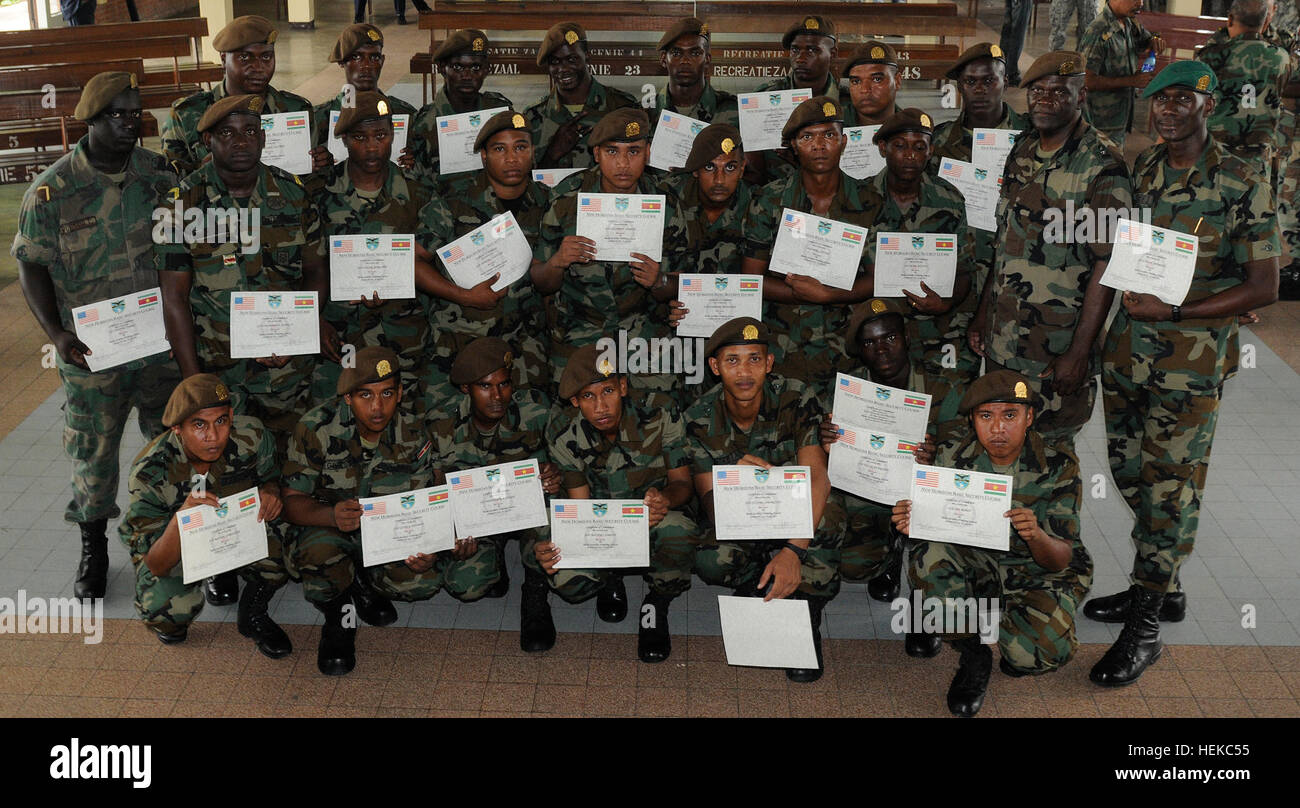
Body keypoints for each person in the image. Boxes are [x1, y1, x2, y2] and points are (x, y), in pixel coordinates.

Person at [1089, 62, 1281, 687]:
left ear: (1207, 105)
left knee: (1169, 489)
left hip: (1188, 367)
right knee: (1129, 471)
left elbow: (1265, 285)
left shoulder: (1241, 179)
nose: (1166, 110)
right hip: (1128, 354)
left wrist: (1178, 311)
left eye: (1180, 99)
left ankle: (1145, 625)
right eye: (1158, 100)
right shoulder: (1146, 166)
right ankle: (1161, 586)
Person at [156, 93, 338, 607]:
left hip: (287, 368)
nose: (242, 142)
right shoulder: (181, 203)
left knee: (289, 458)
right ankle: (219, 561)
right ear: (207, 140)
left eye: (251, 132)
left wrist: (300, 330)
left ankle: (294, 551)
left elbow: (315, 269)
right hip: (217, 367)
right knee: (219, 467)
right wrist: (193, 382)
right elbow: (174, 298)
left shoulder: (292, 192)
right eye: (228, 133)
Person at [13, 72, 181, 600]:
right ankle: (94, 547)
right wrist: (57, 334)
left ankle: (173, 538)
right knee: (94, 452)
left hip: (158, 346)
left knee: (170, 444)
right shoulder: (53, 191)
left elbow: (184, 250)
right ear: (91, 119)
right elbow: (31, 265)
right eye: (118, 115)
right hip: (92, 352)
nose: (131, 123)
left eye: (135, 113)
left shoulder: (159, 175)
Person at [281, 347, 498, 675]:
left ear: (399, 393)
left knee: (420, 582)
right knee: (317, 553)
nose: (377, 407)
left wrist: (433, 545)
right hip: (331, 528)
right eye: (365, 395)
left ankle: (363, 580)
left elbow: (437, 495)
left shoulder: (419, 428)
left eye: (386, 393)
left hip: (393, 531)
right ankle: (339, 617)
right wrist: (330, 515)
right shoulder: (317, 428)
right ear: (347, 398)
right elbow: (292, 501)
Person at [891, 370, 1093, 717]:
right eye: (986, 416)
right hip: (978, 561)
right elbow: (935, 527)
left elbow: (1060, 559)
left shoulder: (1058, 464)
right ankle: (973, 654)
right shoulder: (953, 456)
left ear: (1029, 417)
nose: (997, 428)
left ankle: (1013, 628)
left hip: (1034, 568)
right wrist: (913, 523)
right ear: (972, 420)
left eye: (1010, 415)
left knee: (1033, 655)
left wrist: (1036, 535)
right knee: (928, 556)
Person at [969, 51, 1134, 455]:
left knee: (1050, 457)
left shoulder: (1102, 165)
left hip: (1055, 349)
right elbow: (1005, 240)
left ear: (1081, 96)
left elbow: (1107, 263)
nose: (1045, 100)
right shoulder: (1023, 148)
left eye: (1059, 92)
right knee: (1001, 451)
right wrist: (984, 313)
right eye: (1037, 91)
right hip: (1003, 341)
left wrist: (1078, 353)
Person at [684, 318, 845, 683]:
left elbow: (818, 476)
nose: (744, 372)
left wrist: (793, 552)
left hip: (795, 510)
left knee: (829, 515)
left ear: (769, 363)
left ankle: (806, 607)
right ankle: (760, 582)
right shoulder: (698, 417)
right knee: (711, 558)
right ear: (715, 367)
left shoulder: (796, 397)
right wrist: (739, 482)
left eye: (754, 359)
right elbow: (712, 505)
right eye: (733, 360)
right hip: (739, 517)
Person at [536, 346, 700, 663]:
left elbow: (682, 483)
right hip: (601, 520)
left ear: (623, 386)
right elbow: (581, 507)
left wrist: (664, 499)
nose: (601, 406)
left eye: (608, 391)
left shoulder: (661, 411)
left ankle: (657, 601)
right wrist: (575, 544)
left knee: (679, 531)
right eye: (588, 396)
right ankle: (610, 575)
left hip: (650, 515)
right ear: (575, 401)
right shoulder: (563, 433)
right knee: (567, 581)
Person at [820, 299, 956, 656]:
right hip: (869, 493)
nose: (881, 349)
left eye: (890, 337)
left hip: (923, 497)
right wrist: (826, 442)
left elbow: (968, 457)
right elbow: (828, 454)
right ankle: (891, 551)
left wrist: (937, 457)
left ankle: (924, 608)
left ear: (907, 338)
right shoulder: (846, 390)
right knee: (854, 565)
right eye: (870, 342)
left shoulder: (943, 386)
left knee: (937, 524)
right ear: (859, 350)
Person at [119, 374, 291, 656]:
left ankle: (253, 612)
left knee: (292, 541)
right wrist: (182, 517)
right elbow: (157, 563)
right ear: (177, 428)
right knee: (167, 608)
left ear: (231, 416)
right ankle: (208, 580)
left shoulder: (251, 435)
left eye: (221, 421)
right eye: (199, 425)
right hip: (175, 543)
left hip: (235, 529)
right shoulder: (150, 471)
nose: (213, 435)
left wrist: (271, 491)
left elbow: (271, 476)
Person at [531, 108, 678, 396]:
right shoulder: (567, 197)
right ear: (596, 154)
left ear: (648, 152)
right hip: (580, 327)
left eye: (633, 151)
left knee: (659, 405)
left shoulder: (665, 201)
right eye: (612, 151)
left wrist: (659, 280)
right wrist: (557, 262)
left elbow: (679, 283)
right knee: (574, 407)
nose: (623, 163)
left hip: (643, 326)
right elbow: (541, 280)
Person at [740, 97, 879, 399]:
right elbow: (751, 278)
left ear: (844, 141)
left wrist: (827, 295)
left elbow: (877, 277)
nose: (819, 145)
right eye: (807, 137)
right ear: (793, 146)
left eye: (829, 135)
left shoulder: (869, 200)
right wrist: (800, 294)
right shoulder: (768, 200)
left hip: (848, 349)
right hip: (784, 346)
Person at [430, 338, 563, 650]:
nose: (498, 396)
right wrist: (451, 535)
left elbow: (568, 461)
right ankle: (493, 561)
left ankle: (535, 592)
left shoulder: (536, 411)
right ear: (466, 388)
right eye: (485, 387)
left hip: (527, 512)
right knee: (465, 584)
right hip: (476, 520)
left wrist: (556, 474)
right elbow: (435, 492)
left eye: (504, 384)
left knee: (552, 515)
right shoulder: (441, 424)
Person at [314, 91, 437, 407]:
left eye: (381, 135)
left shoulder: (420, 192)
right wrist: (312, 319)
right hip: (340, 338)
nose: (371, 146)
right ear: (344, 140)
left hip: (403, 337)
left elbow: (430, 260)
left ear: (393, 135)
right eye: (359, 137)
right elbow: (307, 267)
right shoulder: (317, 194)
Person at [420, 111, 553, 404]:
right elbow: (413, 262)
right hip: (461, 339)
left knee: (528, 422)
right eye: (499, 149)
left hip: (525, 345)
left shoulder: (549, 202)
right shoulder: (453, 201)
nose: (512, 158)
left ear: (533, 151)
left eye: (520, 147)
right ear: (483, 156)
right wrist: (464, 296)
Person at [864, 109, 979, 443]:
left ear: (931, 151)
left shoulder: (949, 200)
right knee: (883, 426)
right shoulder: (860, 199)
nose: (911, 155)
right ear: (883, 148)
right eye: (900, 146)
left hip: (938, 332)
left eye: (920, 146)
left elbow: (966, 270)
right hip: (880, 338)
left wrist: (946, 303)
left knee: (947, 426)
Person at [162, 16, 327, 178]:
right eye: (244, 57)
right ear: (223, 59)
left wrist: (321, 164)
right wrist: (203, 171)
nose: (258, 67)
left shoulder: (296, 110)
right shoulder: (185, 115)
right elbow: (169, 181)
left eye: (266, 57)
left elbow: (310, 184)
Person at [1197, 0, 1295, 190]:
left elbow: (1196, 98)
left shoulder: (1210, 56)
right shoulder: (1281, 58)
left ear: (1230, 19)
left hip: (1215, 151)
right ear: (1265, 24)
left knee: (1210, 201)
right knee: (1253, 201)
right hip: (1257, 156)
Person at [407, 28, 514, 188]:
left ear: (486, 70)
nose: (467, 75)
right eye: (457, 67)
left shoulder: (499, 113)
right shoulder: (423, 123)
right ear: (443, 68)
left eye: (475, 68)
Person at [524, 22, 637, 170]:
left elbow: (638, 166)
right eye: (555, 62)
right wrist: (551, 155)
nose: (563, 69)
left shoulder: (622, 107)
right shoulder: (533, 116)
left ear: (587, 56)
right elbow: (525, 179)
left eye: (572, 59)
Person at [311, 24, 418, 171]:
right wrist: (316, 167)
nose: (366, 65)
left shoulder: (404, 114)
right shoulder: (318, 120)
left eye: (374, 57)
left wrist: (416, 163)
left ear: (382, 61)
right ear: (342, 62)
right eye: (356, 57)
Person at [751, 15, 842, 184]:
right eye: (795, 50)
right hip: (773, 194)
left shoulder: (848, 103)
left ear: (833, 54)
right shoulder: (765, 98)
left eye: (812, 50)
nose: (800, 58)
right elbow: (750, 168)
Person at [1079, 0, 1166, 150]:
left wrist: (1154, 41)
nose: (1140, 3)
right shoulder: (1098, 31)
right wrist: (1131, 81)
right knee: (1103, 161)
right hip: (1101, 122)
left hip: (1119, 117)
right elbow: (1087, 80)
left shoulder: (1129, 23)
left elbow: (1146, 40)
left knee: (1116, 158)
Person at [929, 42, 1031, 167]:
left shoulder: (1031, 134)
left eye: (988, 80)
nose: (979, 89)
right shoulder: (938, 139)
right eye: (970, 81)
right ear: (960, 86)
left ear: (1005, 83)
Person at [650, 17, 739, 133]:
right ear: (663, 59)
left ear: (707, 59)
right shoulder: (646, 113)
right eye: (676, 53)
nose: (685, 61)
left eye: (695, 53)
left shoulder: (734, 111)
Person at [842, 41, 903, 128]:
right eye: (856, 81)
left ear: (897, 81)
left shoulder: (912, 127)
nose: (865, 90)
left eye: (877, 79)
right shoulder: (832, 125)